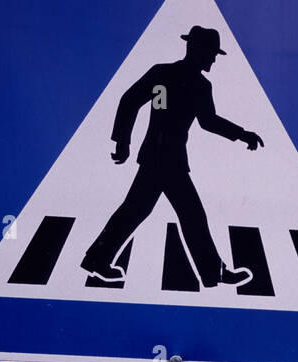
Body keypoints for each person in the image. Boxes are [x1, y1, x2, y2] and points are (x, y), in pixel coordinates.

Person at [81, 25, 263, 287]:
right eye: (211, 53)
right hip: (165, 160)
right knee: (189, 215)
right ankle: (214, 273)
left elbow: (206, 121)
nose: (213, 59)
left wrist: (242, 134)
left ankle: (97, 260)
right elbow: (131, 100)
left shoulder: (192, 82)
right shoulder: (170, 75)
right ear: (195, 49)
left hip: (164, 158)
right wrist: (122, 140)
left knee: (137, 211)